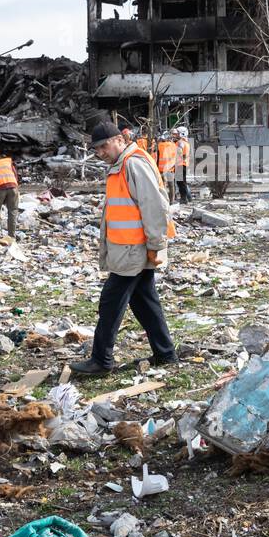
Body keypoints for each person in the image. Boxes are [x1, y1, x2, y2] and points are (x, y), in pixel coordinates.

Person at [70, 122, 178, 376]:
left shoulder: (133, 164)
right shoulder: (122, 164)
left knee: (110, 304)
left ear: (119, 139)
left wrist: (156, 245)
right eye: (96, 149)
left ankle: (101, 361)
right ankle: (165, 353)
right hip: (129, 248)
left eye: (103, 146)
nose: (100, 153)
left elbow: (155, 207)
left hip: (134, 249)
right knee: (145, 302)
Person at [155, 134, 178, 204]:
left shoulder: (160, 145)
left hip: (162, 169)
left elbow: (157, 157)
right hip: (171, 168)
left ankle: (164, 201)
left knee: (163, 186)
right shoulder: (174, 145)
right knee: (171, 185)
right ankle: (172, 201)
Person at [175, 126, 192, 204]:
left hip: (181, 164)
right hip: (181, 164)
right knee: (181, 182)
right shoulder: (183, 142)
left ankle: (184, 198)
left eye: (177, 133)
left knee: (181, 182)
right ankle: (187, 197)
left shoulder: (181, 143)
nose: (176, 135)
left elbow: (182, 154)